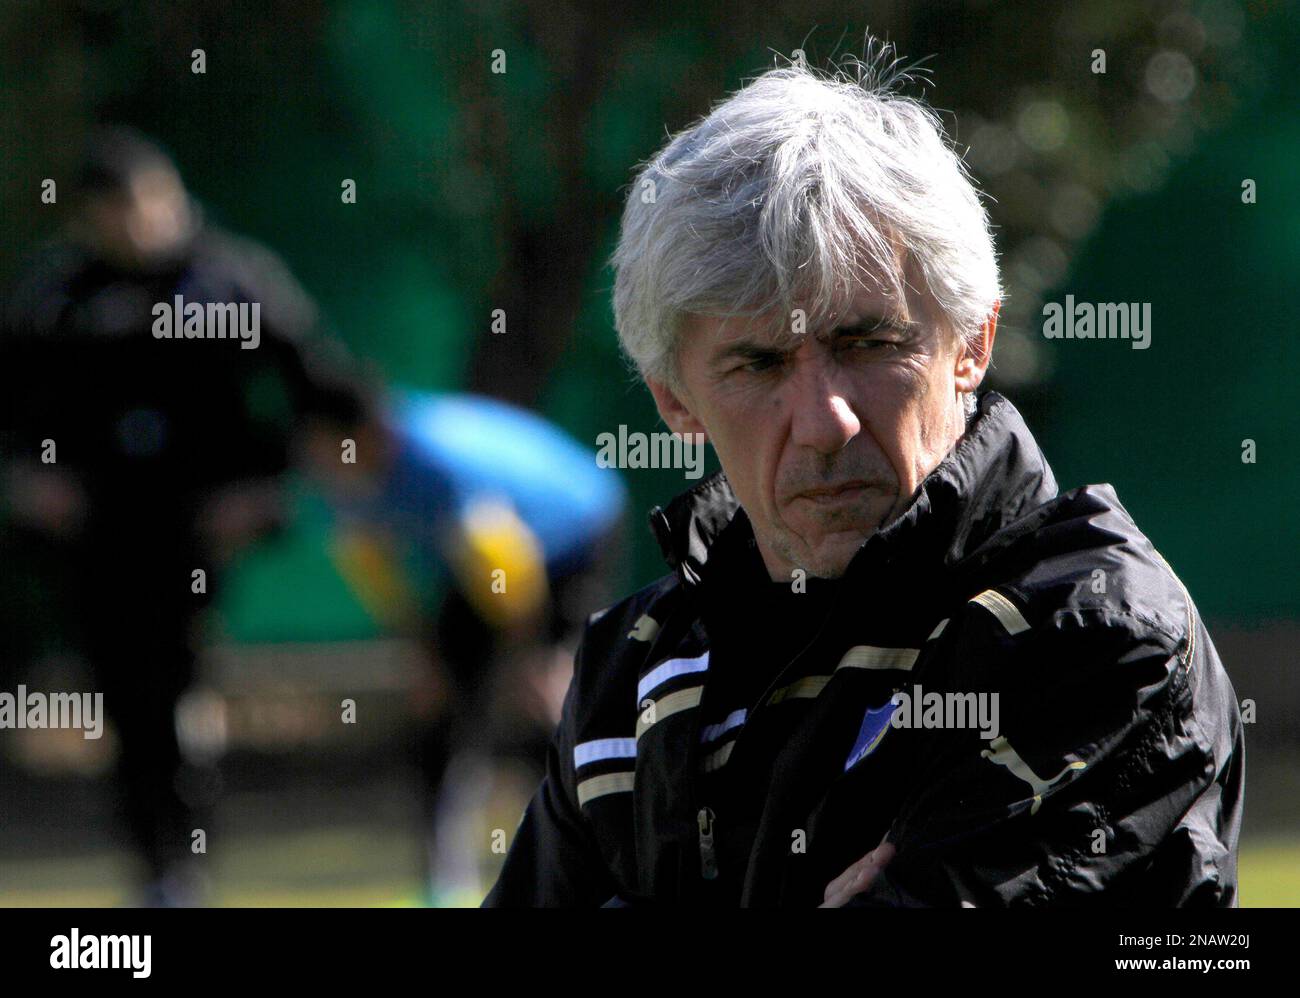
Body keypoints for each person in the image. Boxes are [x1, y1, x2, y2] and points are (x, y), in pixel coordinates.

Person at [482, 48, 1244, 907]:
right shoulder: (636, 669)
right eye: (760, 364)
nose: (825, 421)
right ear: (674, 400)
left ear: (973, 343)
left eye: (868, 344)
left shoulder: (1091, 633)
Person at [0, 127, 345, 905]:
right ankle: (150, 871)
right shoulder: (57, 294)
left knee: (178, 684)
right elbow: (12, 404)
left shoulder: (230, 281)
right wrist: (27, 477)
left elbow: (316, 386)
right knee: (124, 696)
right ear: (86, 217)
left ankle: (185, 870)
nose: (135, 223)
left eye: (145, 203)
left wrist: (270, 487)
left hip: (195, 527)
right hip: (97, 529)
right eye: (114, 210)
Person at [298, 383, 626, 903]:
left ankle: (598, 856)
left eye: (321, 446)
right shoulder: (346, 483)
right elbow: (380, 574)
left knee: (543, 699)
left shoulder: (441, 468)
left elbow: (510, 579)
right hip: (477, 564)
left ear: (360, 436)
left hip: (569, 530)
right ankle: (444, 884)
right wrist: (426, 658)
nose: (314, 462)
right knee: (440, 712)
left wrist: (528, 659)